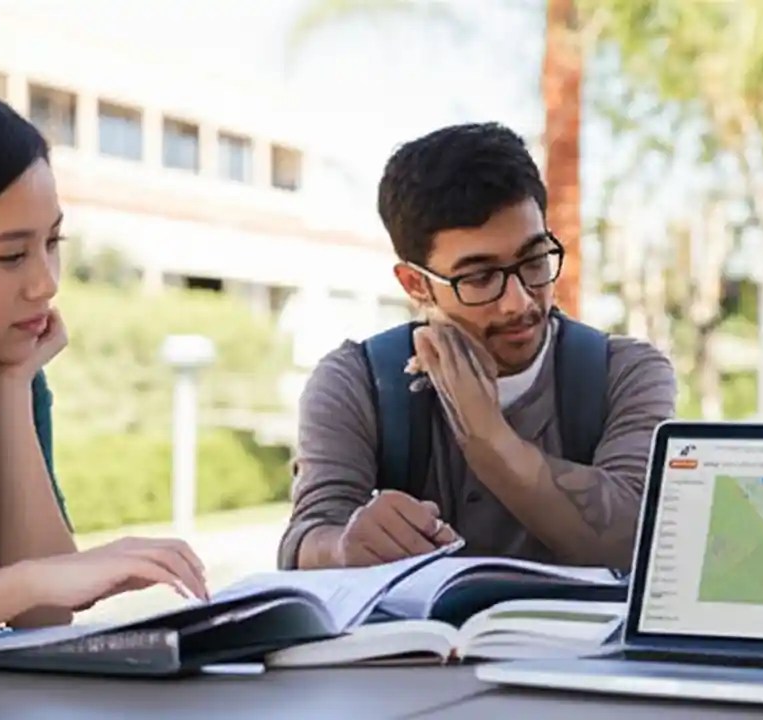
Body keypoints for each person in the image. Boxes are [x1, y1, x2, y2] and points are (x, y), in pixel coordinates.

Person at [0, 79, 209, 672]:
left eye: (52, 243)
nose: (46, 282)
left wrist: (7, 392)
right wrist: (29, 582)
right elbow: (38, 588)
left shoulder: (7, 375)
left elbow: (46, 615)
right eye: (11, 255)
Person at [280, 122, 676, 572]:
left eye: (533, 260)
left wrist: (490, 439)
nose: (519, 302)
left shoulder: (624, 373)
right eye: (479, 277)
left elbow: (640, 538)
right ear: (416, 284)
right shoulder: (357, 382)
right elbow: (306, 537)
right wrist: (344, 547)